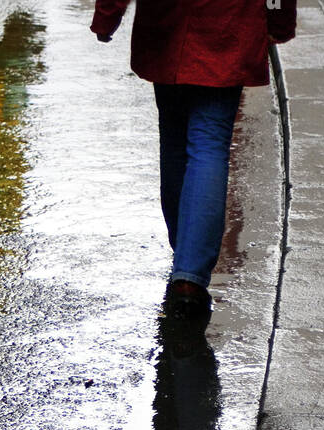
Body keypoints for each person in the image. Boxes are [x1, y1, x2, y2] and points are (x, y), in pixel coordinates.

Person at [91, 0, 298, 321]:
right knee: (209, 144)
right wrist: (278, 17)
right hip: (229, 23)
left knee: (174, 139)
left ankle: (185, 251)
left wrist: (108, 15)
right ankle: (189, 271)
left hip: (168, 21)